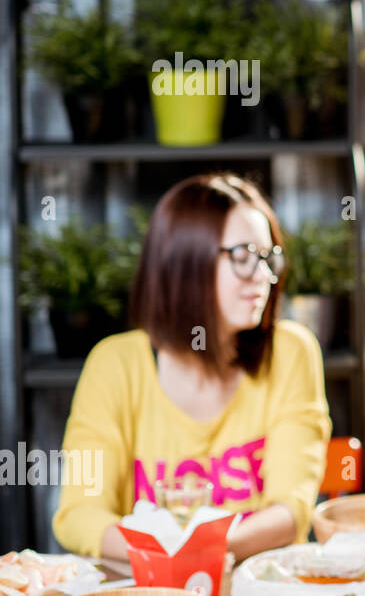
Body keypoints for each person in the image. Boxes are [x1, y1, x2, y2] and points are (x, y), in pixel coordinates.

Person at [53, 173, 331, 562]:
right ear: (184, 264)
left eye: (269, 258)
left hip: (262, 593)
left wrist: (201, 552)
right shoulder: (114, 365)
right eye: (242, 257)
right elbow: (79, 515)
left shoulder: (291, 352)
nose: (264, 277)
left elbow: (291, 508)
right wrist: (167, 558)